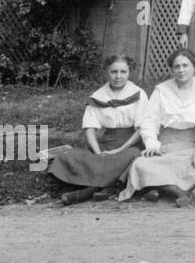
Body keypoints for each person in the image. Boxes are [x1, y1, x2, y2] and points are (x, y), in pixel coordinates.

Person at [118, 48, 195, 207]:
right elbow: (150, 121)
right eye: (176, 66)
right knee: (141, 163)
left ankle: (157, 187)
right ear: (171, 69)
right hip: (165, 145)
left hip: (191, 147)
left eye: (185, 65)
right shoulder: (162, 91)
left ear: (194, 67)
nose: (181, 70)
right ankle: (178, 192)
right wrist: (152, 144)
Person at [48, 54, 145, 204]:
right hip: (106, 143)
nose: (118, 76)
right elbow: (89, 129)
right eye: (114, 72)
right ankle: (109, 185)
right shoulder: (98, 96)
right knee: (66, 155)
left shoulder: (138, 94)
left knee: (133, 156)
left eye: (123, 72)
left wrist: (119, 150)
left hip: (130, 143)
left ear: (129, 72)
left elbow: (141, 129)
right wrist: (98, 152)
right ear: (107, 72)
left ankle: (87, 191)